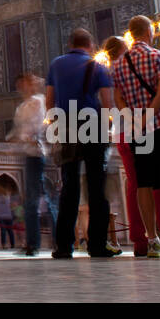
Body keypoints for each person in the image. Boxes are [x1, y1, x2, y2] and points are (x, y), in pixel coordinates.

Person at [111, 16, 160, 258]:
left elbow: (118, 98)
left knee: (143, 183)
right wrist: (149, 117)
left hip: (136, 130)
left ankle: (152, 240)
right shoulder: (157, 56)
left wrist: (135, 121)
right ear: (148, 31)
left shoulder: (119, 63)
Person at [47, 28, 116, 258]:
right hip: (92, 125)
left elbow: (49, 101)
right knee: (96, 186)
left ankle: (64, 246)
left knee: (69, 186)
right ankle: (97, 244)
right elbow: (107, 102)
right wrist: (107, 130)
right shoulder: (98, 66)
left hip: (66, 125)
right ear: (91, 45)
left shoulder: (56, 65)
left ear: (70, 43)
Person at [9, 71, 57, 255]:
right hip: (28, 154)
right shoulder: (22, 107)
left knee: (32, 201)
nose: (21, 87)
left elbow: (36, 127)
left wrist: (20, 136)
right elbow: (20, 130)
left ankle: (34, 243)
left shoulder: (38, 102)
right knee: (41, 198)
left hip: (36, 154)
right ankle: (55, 239)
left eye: (24, 83)